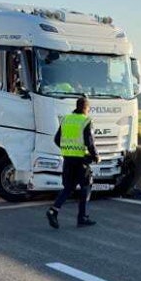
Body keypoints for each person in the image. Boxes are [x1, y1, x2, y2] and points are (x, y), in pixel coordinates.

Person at [46, 96, 98, 229]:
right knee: (86, 186)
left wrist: (68, 149)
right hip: (81, 160)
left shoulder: (66, 119)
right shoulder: (86, 121)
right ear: (86, 108)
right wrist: (96, 156)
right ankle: (82, 217)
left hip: (68, 159)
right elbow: (89, 142)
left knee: (68, 188)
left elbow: (57, 139)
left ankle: (53, 210)